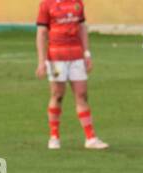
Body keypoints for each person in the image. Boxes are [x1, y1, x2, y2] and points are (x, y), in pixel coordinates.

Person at [35, 0, 107, 149]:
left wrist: (87, 54)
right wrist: (42, 61)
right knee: (57, 94)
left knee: (82, 94)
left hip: (76, 56)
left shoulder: (77, 3)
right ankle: (54, 137)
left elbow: (81, 28)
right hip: (56, 58)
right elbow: (41, 33)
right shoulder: (46, 4)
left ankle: (90, 138)